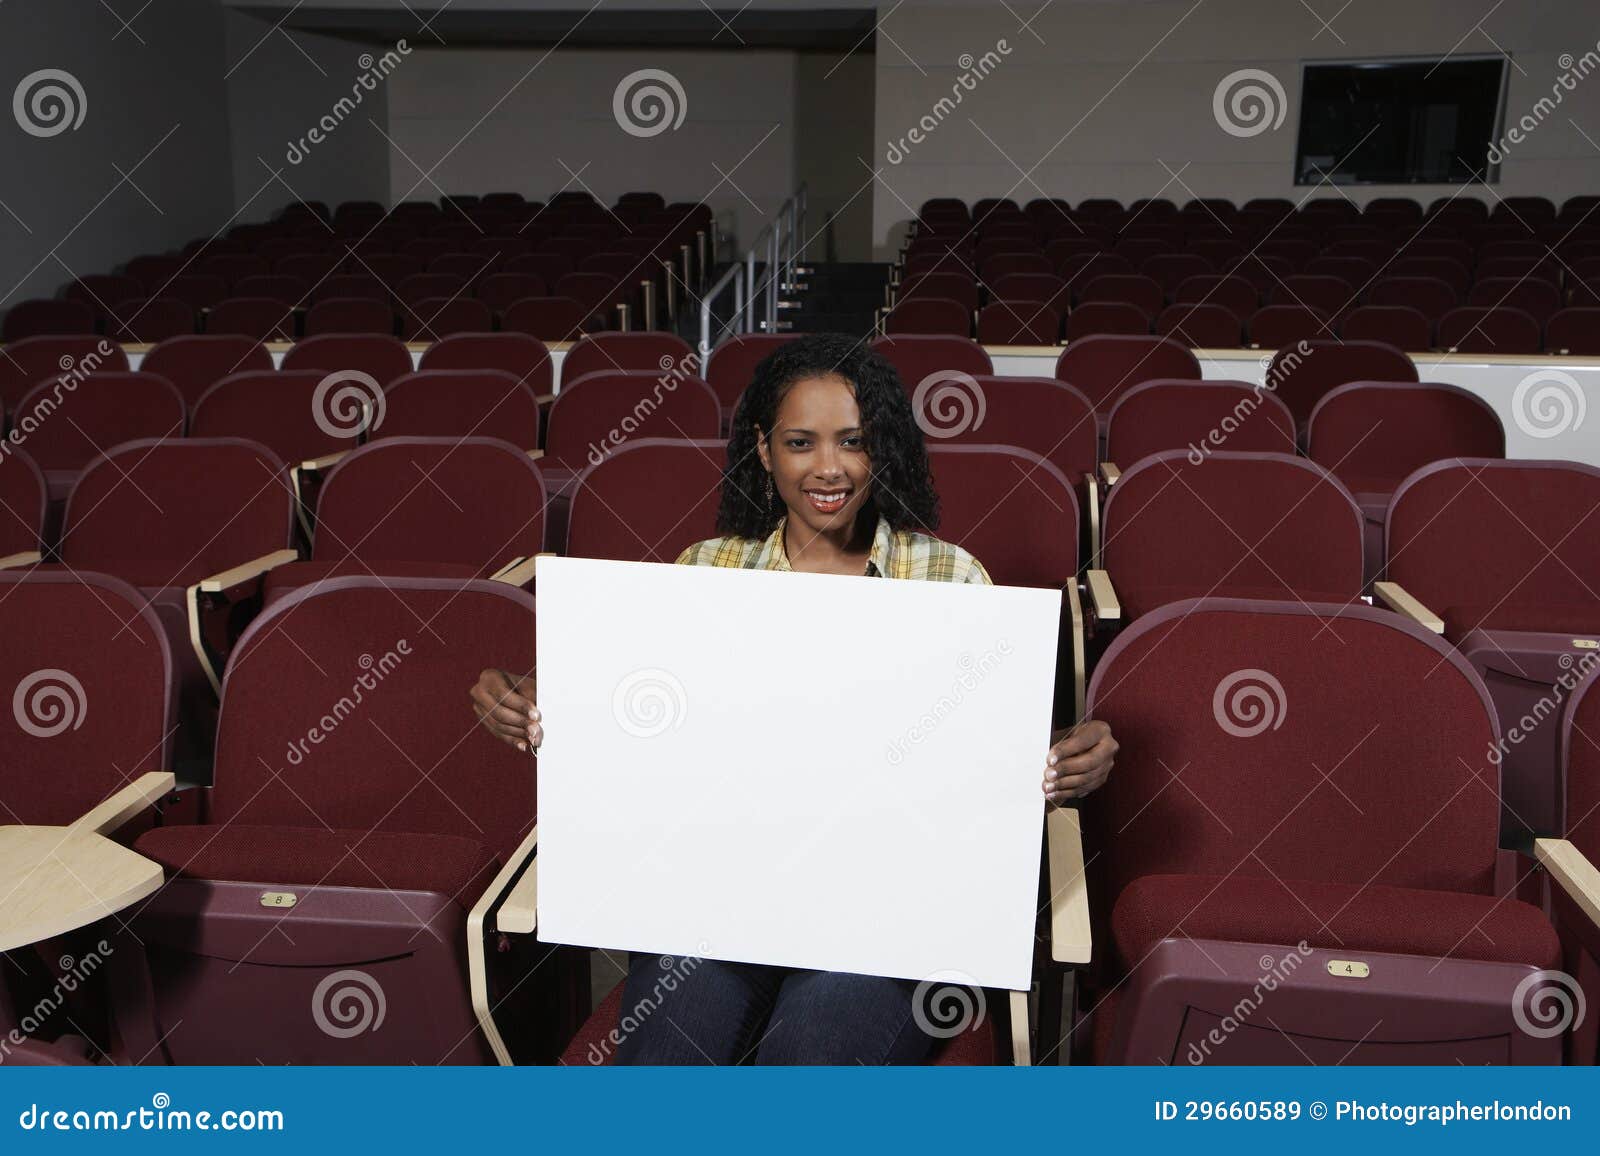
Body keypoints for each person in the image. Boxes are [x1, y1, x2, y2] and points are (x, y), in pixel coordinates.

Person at [470, 333, 1118, 1063]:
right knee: (666, 1071)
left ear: (885, 449)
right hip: (716, 909)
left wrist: (1064, 765)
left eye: (853, 441)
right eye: (801, 442)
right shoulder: (708, 569)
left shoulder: (949, 578)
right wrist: (543, 707)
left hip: (888, 921)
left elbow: (990, 771)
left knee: (806, 1066)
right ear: (764, 449)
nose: (829, 468)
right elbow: (643, 736)